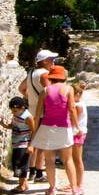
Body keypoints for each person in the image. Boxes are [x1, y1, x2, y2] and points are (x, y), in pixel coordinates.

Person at [30, 64, 81, 195]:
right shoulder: (68, 89)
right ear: (63, 77)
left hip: (47, 127)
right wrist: (77, 126)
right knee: (68, 159)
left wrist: (35, 130)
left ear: (51, 77)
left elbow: (38, 112)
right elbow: (71, 109)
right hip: (64, 127)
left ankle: (52, 188)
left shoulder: (45, 91)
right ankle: (74, 188)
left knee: (50, 160)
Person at [19, 50, 58, 183]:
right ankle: (39, 172)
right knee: (42, 144)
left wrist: (29, 97)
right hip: (42, 113)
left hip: (32, 111)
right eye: (52, 59)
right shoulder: (44, 75)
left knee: (34, 141)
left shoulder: (31, 73)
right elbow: (50, 92)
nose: (54, 62)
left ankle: (32, 171)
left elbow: (21, 88)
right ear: (45, 61)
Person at [0, 96, 33, 192]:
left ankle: (21, 185)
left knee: (21, 164)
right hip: (16, 143)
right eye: (12, 111)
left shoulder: (27, 117)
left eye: (15, 111)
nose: (13, 113)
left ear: (22, 108)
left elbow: (34, 131)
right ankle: (24, 183)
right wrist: (4, 125)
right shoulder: (16, 115)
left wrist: (30, 145)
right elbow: (13, 126)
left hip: (24, 144)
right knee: (16, 163)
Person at [68, 78, 88, 190]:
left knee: (77, 159)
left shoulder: (78, 106)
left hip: (77, 133)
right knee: (73, 159)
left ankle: (79, 184)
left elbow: (74, 119)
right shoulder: (79, 104)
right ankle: (74, 182)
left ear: (77, 94)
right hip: (76, 132)